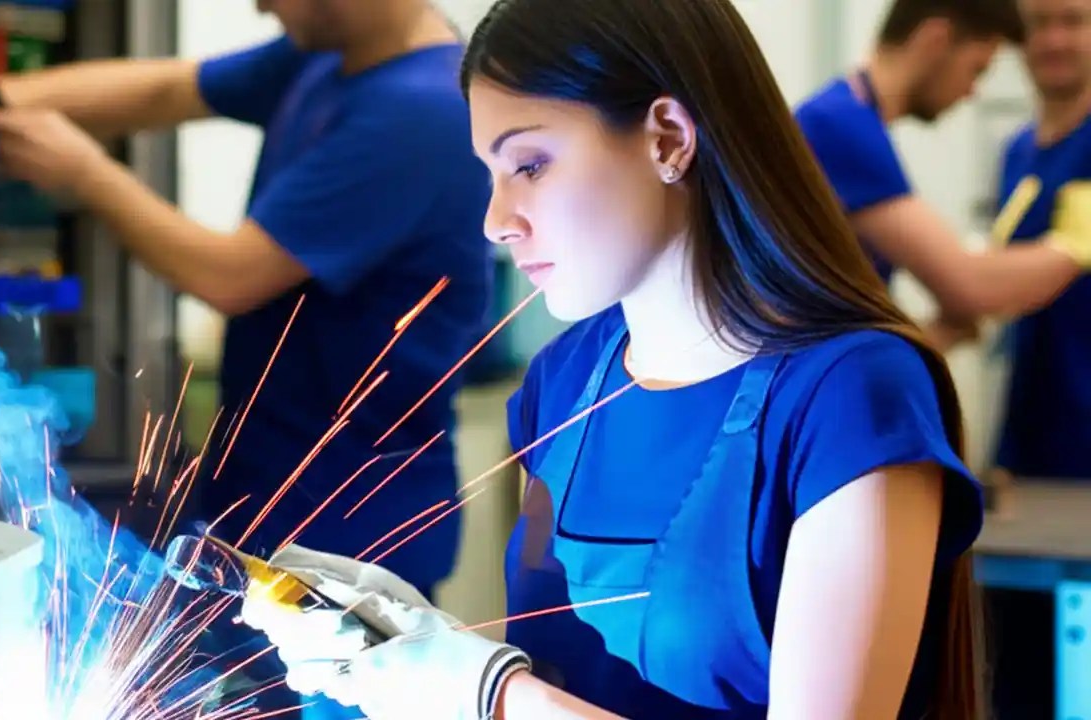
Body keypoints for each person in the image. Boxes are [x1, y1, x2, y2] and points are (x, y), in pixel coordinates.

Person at [236, 0, 1083, 717]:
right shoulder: (563, 382)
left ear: (669, 136)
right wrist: (408, 646)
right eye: (490, 175)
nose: (497, 220)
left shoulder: (848, 396)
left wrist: (486, 691)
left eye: (529, 163)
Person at [0, 1, 491, 716]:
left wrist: (85, 174)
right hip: (261, 516)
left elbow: (232, 276)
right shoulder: (329, 56)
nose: (260, 5)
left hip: (351, 548)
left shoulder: (417, 111)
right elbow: (169, 88)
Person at [795, 0, 1087, 351]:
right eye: (976, 69)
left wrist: (938, 334)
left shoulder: (844, 116)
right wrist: (1074, 245)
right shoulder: (841, 126)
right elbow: (969, 286)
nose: (972, 91)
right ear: (936, 41)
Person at [988, 3, 1090, 712]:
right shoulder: (1019, 150)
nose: (1052, 40)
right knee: (1020, 668)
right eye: (1037, 23)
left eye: (1073, 22)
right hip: (1028, 436)